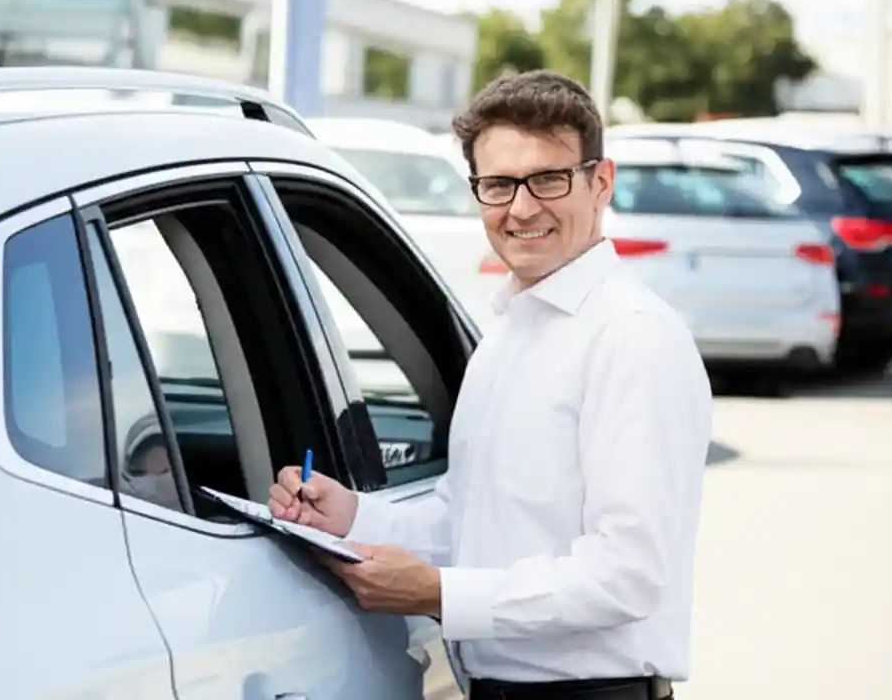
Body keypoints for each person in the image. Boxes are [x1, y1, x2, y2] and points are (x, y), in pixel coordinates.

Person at [268, 70, 712, 700]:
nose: (522, 208)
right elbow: (471, 518)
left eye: (548, 179)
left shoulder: (632, 337)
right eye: (499, 185)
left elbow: (628, 575)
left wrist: (439, 594)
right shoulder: (507, 333)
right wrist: (353, 514)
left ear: (601, 181)